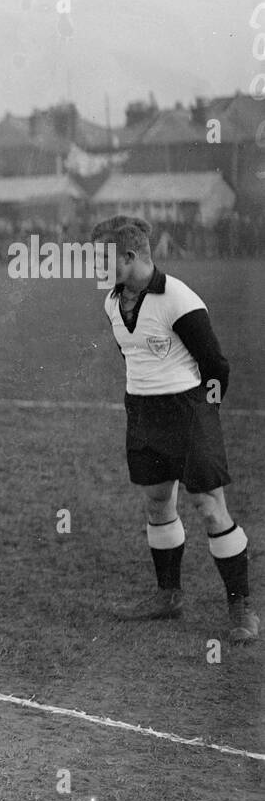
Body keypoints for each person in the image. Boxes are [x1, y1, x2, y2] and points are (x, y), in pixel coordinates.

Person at [93, 215, 258, 643]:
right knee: (157, 503)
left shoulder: (179, 299)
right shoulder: (112, 301)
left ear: (129, 257)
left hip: (188, 411)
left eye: (102, 256)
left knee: (208, 505)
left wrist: (204, 415)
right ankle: (169, 597)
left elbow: (216, 365)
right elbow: (131, 355)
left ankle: (240, 606)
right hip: (143, 413)